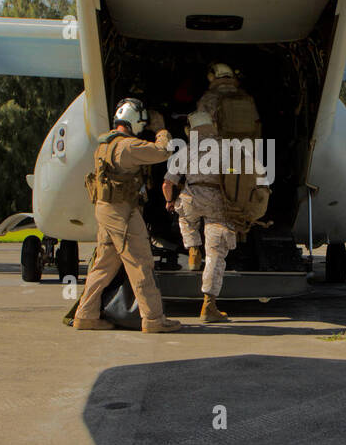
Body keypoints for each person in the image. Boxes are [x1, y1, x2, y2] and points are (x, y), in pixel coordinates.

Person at [71, 98, 182, 333]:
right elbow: (163, 151)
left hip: (107, 209)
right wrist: (161, 128)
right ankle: (153, 319)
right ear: (134, 121)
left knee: (104, 265)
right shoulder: (128, 146)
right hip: (122, 211)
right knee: (140, 261)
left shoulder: (105, 144)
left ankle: (85, 315)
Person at [167, 62, 265, 323]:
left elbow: (168, 183)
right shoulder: (246, 101)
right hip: (221, 194)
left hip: (191, 195)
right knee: (217, 253)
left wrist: (169, 200)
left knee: (184, 212)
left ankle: (191, 246)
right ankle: (209, 305)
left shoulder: (188, 143)